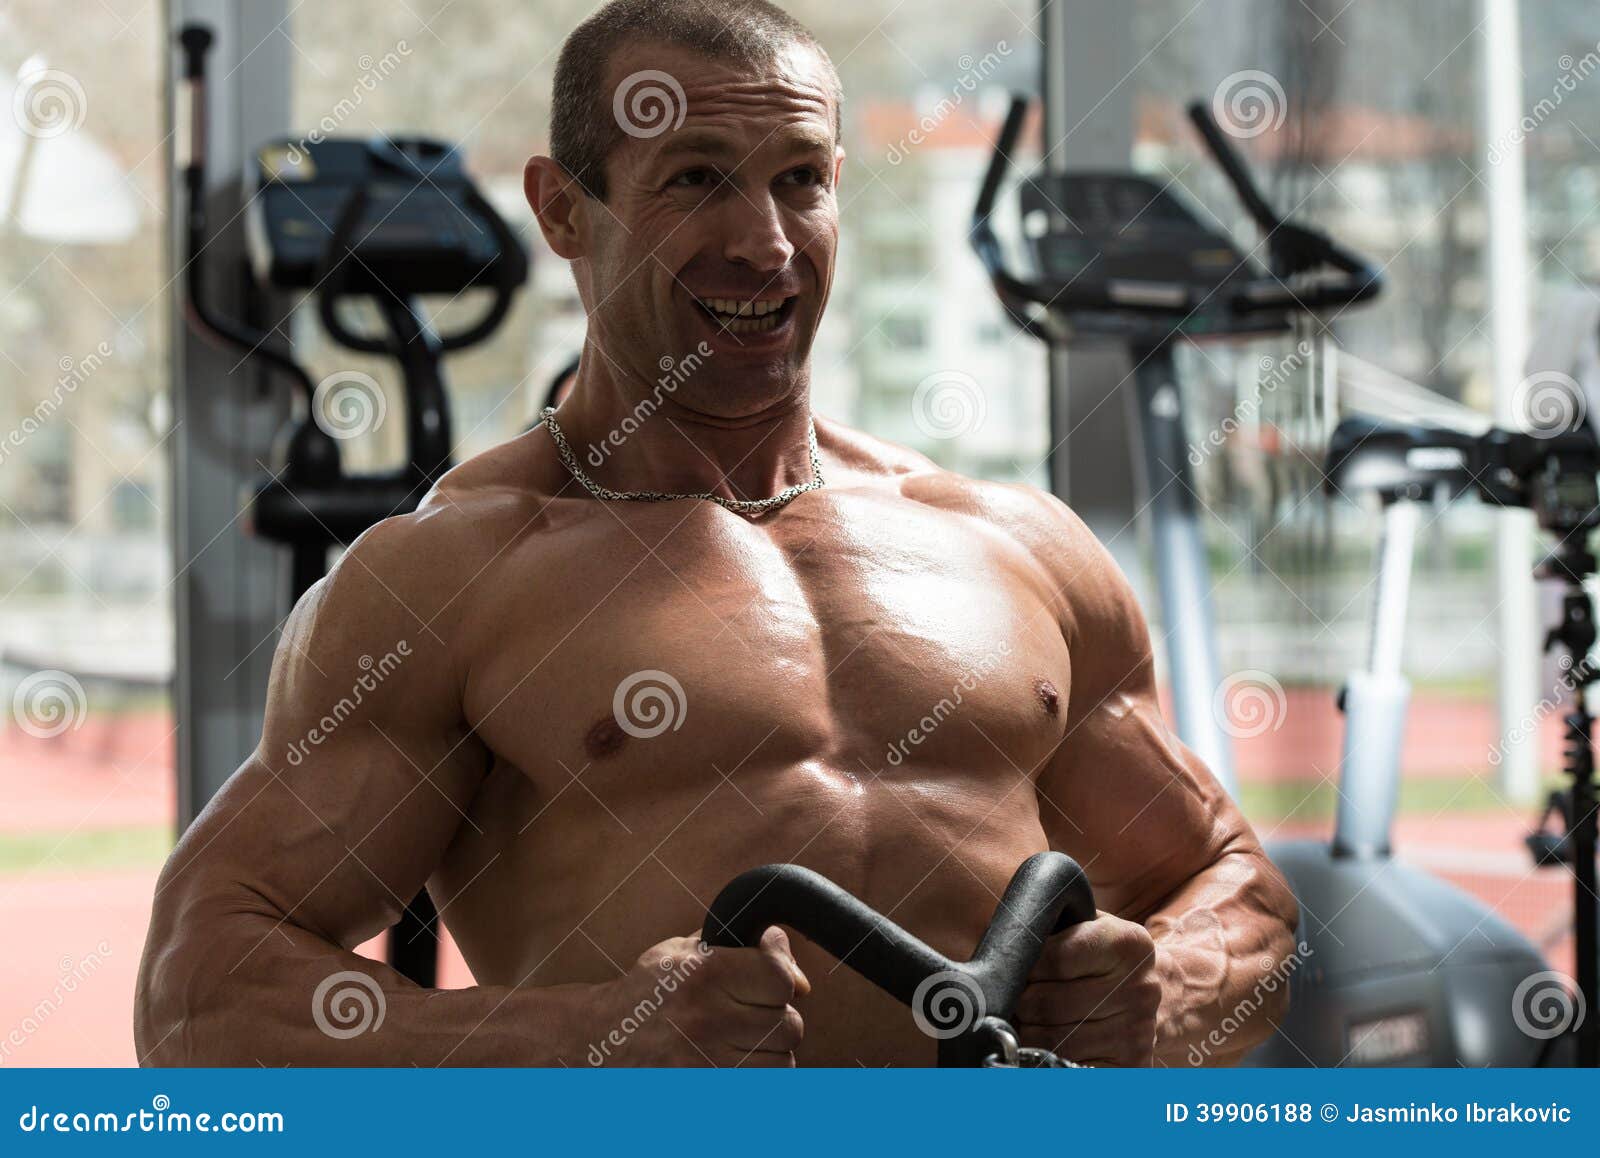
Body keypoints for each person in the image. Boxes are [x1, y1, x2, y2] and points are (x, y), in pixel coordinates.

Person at [136, 0, 1297, 1067]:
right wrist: (581, 1039)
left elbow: (1229, 887)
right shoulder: (453, 578)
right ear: (560, 209)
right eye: (696, 180)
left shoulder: (1010, 545)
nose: (765, 242)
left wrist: (1170, 993)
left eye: (800, 180)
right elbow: (201, 993)